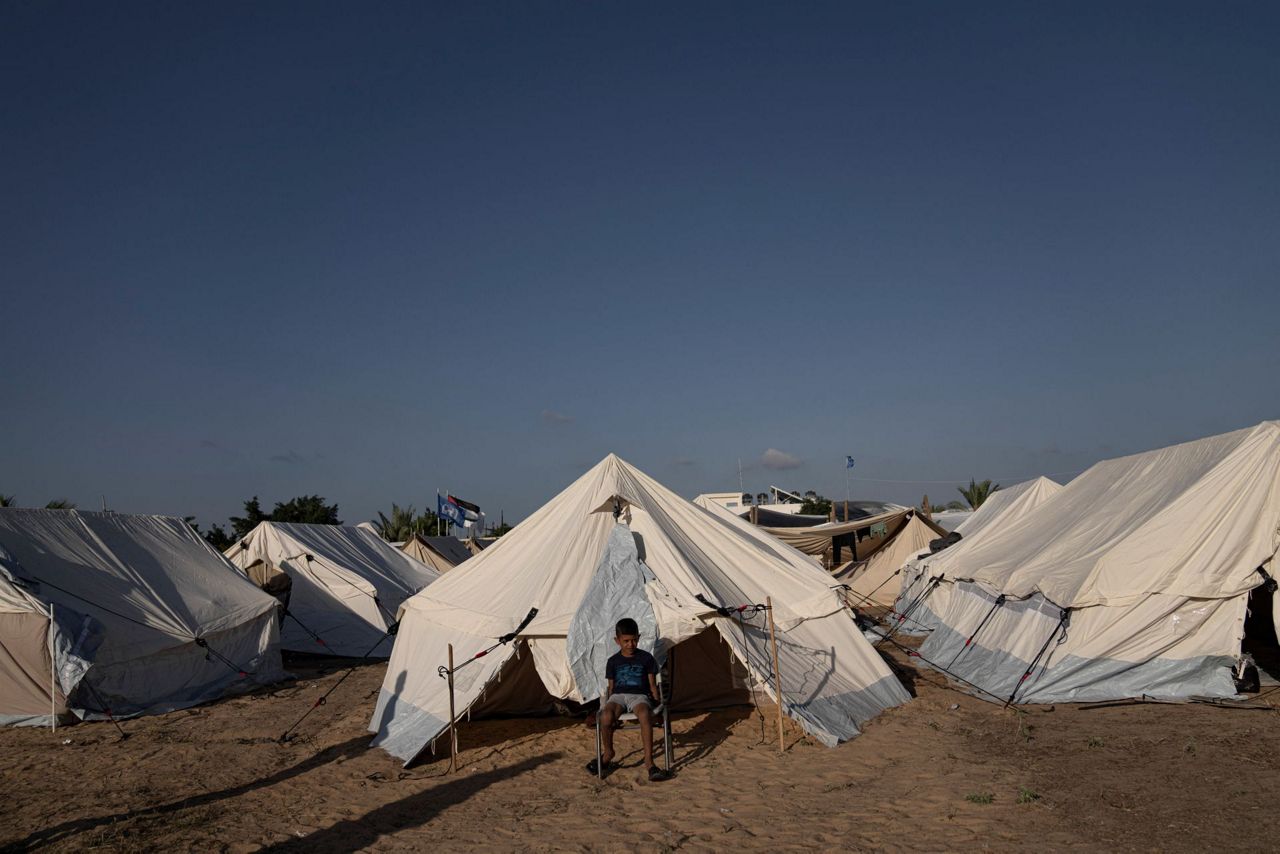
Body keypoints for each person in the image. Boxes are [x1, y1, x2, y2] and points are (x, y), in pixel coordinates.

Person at [587, 617, 669, 781]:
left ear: (638, 638)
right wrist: (608, 706)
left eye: (634, 640)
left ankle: (649, 763)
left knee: (644, 714)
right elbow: (611, 688)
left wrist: (657, 704)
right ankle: (608, 753)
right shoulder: (613, 661)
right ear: (617, 641)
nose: (630, 644)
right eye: (626, 641)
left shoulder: (646, 658)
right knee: (606, 716)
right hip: (618, 696)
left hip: (639, 696)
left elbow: (652, 684)